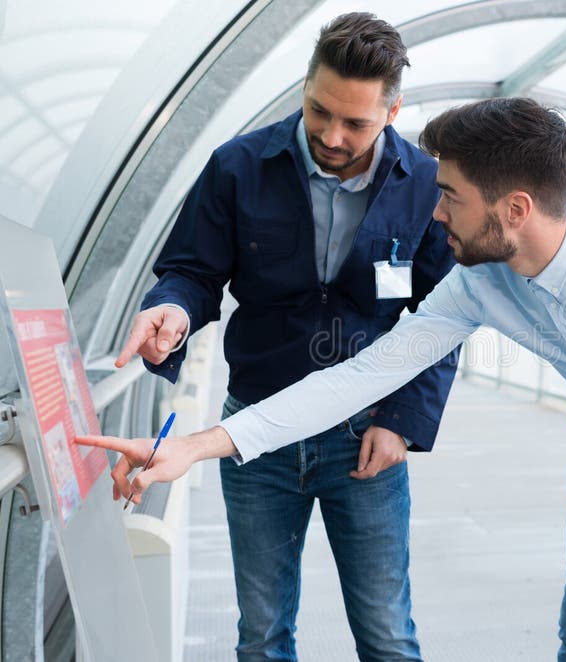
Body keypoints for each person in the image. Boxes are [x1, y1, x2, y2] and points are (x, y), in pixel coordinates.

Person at [82, 98, 566, 662]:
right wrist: (197, 445)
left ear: (515, 210)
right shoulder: (476, 283)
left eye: (449, 196)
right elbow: (357, 379)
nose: (433, 212)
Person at [110, 13, 459, 661]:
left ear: (392, 110)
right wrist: (173, 314)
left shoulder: (427, 188)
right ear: (305, 86)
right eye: (317, 110)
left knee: (387, 631)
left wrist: (402, 420)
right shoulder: (237, 167)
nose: (330, 134)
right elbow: (191, 272)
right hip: (255, 436)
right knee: (263, 634)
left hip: (365, 438)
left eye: (354, 123)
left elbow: (449, 314)